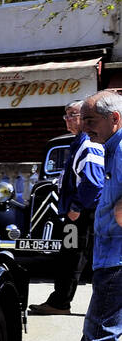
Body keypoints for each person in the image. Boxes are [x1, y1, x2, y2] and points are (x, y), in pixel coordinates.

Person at [38, 90, 122, 341]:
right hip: (111, 257)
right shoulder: (110, 147)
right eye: (80, 119)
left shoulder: (118, 149)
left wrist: (114, 215)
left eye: (90, 120)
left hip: (116, 260)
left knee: (98, 337)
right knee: (99, 336)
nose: (84, 127)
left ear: (114, 119)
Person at [30, 100, 103, 315]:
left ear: (85, 117)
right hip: (80, 212)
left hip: (83, 213)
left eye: (72, 114)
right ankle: (60, 301)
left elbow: (93, 182)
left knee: (71, 257)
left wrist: (77, 206)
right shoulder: (80, 142)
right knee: (72, 256)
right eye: (66, 115)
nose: (67, 119)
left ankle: (60, 303)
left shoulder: (88, 143)